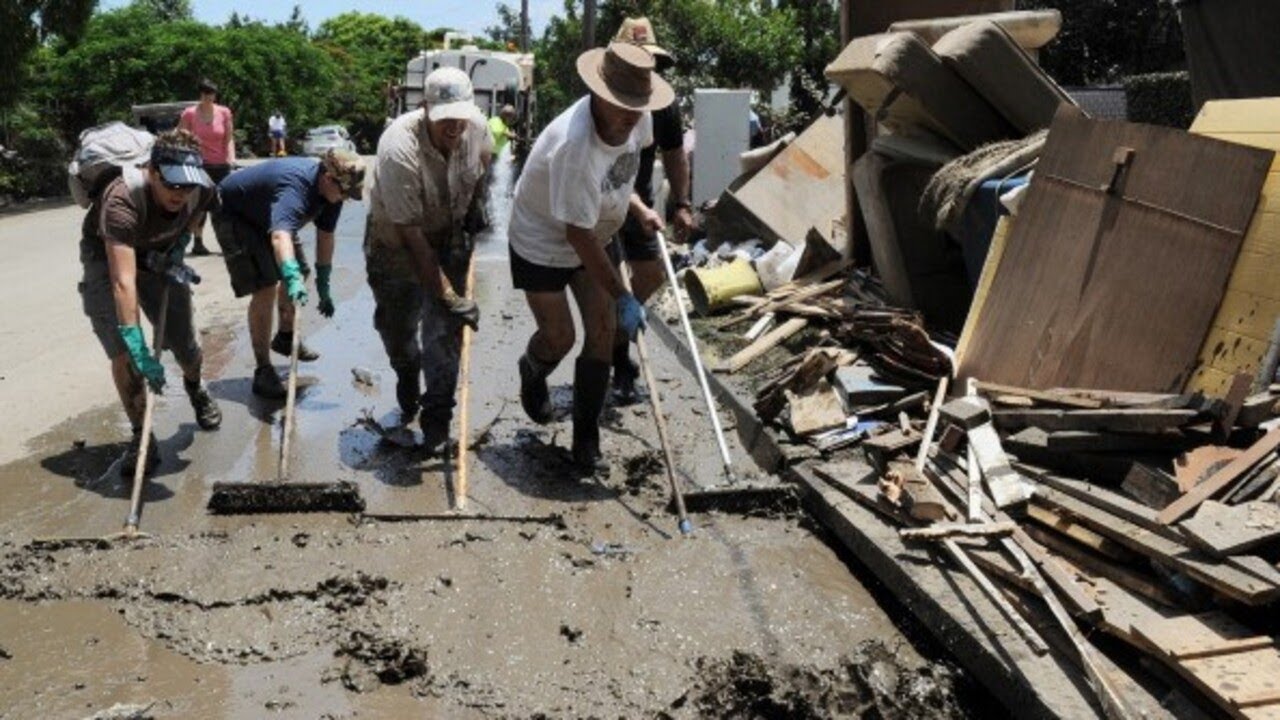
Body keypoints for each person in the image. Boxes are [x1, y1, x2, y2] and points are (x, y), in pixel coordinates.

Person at [508, 42, 672, 473]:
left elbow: (620, 175)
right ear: (598, 95)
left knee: (602, 329)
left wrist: (638, 208)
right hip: (543, 239)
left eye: (635, 109)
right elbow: (576, 237)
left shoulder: (640, 115)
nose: (628, 119)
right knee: (559, 337)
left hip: (596, 227)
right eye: (620, 108)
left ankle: (585, 439)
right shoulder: (574, 147)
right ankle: (532, 368)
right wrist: (623, 293)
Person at [78, 130, 223, 477]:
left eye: (186, 186)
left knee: (183, 344)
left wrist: (182, 240)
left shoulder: (200, 188)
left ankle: (194, 387)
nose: (180, 193)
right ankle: (142, 435)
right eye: (172, 185)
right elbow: (122, 281)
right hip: (108, 254)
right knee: (124, 352)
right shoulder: (121, 200)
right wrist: (136, 344)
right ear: (153, 170)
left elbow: (196, 211)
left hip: (160, 251)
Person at [365, 67, 493, 452]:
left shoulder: (477, 127)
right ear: (425, 110)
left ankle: (438, 416)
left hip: (449, 236)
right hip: (397, 247)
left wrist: (478, 201)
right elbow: (413, 239)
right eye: (445, 118)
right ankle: (406, 373)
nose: (454, 126)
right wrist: (450, 296)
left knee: (444, 333)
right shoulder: (397, 150)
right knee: (398, 330)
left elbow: (485, 159)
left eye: (461, 117)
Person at [212, 149, 365, 398]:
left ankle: (285, 336)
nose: (345, 198)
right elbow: (280, 236)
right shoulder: (295, 189)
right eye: (344, 192)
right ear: (327, 178)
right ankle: (263, 371)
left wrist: (324, 282)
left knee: (299, 270)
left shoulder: (334, 193)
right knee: (266, 285)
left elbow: (325, 236)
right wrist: (290, 276)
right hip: (235, 213)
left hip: (266, 214)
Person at [610, 17, 695, 399]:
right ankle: (608, 360)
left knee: (649, 275)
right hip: (603, 201)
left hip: (640, 199)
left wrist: (681, 203)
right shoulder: (605, 97)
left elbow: (675, 155)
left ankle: (617, 339)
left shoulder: (663, 102)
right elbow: (602, 173)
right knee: (605, 285)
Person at [177, 79, 235, 256]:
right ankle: (197, 242)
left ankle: (227, 243)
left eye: (211, 94)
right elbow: (180, 135)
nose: (208, 97)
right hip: (198, 164)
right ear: (200, 94)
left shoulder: (224, 112)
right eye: (205, 94)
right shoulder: (190, 113)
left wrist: (231, 157)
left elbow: (229, 138)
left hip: (221, 163)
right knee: (200, 206)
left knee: (222, 205)